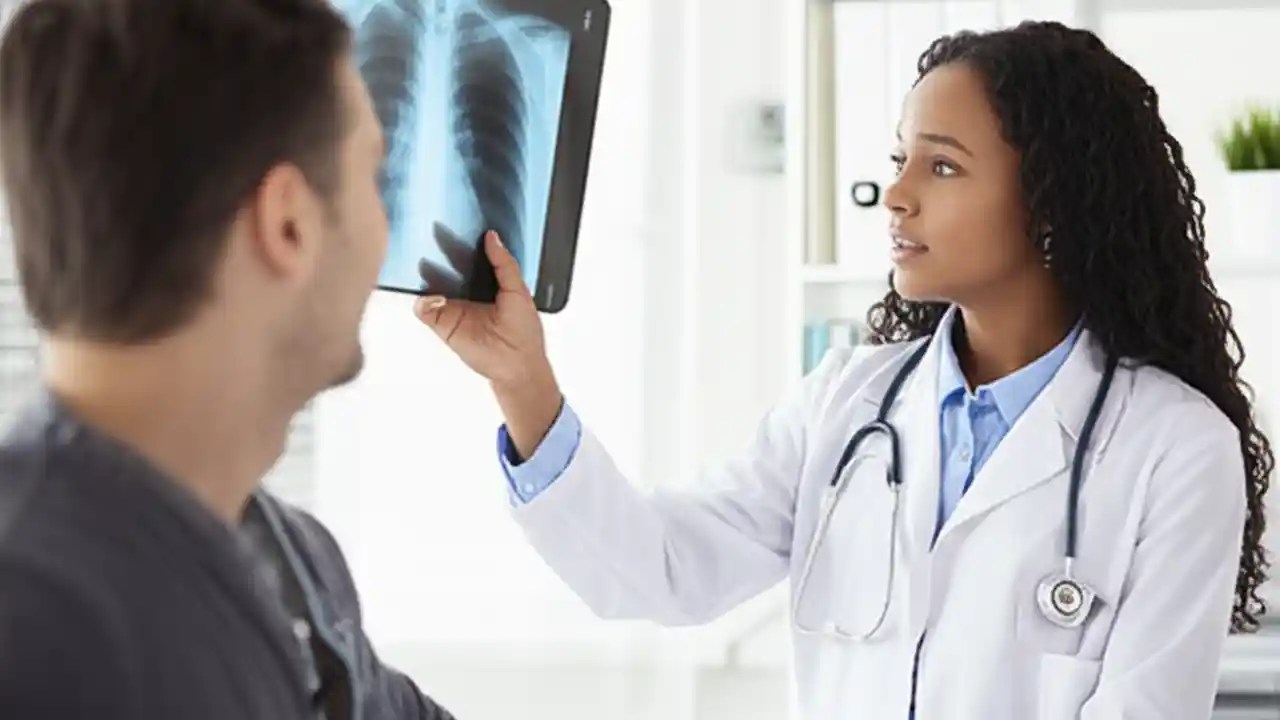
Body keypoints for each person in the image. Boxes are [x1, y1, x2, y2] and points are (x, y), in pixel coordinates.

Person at [416, 20, 1273, 720]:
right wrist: (522, 381)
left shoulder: (1176, 448)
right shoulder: (848, 401)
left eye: (941, 166)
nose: (896, 194)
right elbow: (660, 569)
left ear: (1050, 200)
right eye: (899, 157)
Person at [0, 1, 455, 718]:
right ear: (288, 223)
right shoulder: (38, 629)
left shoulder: (293, 573)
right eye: (373, 173)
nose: (385, 227)